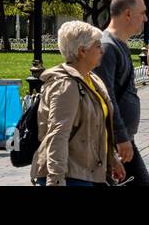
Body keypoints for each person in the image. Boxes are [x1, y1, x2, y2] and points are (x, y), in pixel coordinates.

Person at [32, 20, 125, 187]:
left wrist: (111, 159)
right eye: (97, 46)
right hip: (70, 176)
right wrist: (56, 180)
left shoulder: (92, 79)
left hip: (90, 173)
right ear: (82, 51)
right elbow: (57, 134)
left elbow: (98, 128)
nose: (102, 51)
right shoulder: (66, 85)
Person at [97, 0, 149, 185]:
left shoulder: (118, 44)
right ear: (127, 14)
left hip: (123, 140)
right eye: (142, 13)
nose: (145, 18)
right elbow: (106, 97)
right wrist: (120, 137)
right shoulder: (107, 46)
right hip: (114, 142)